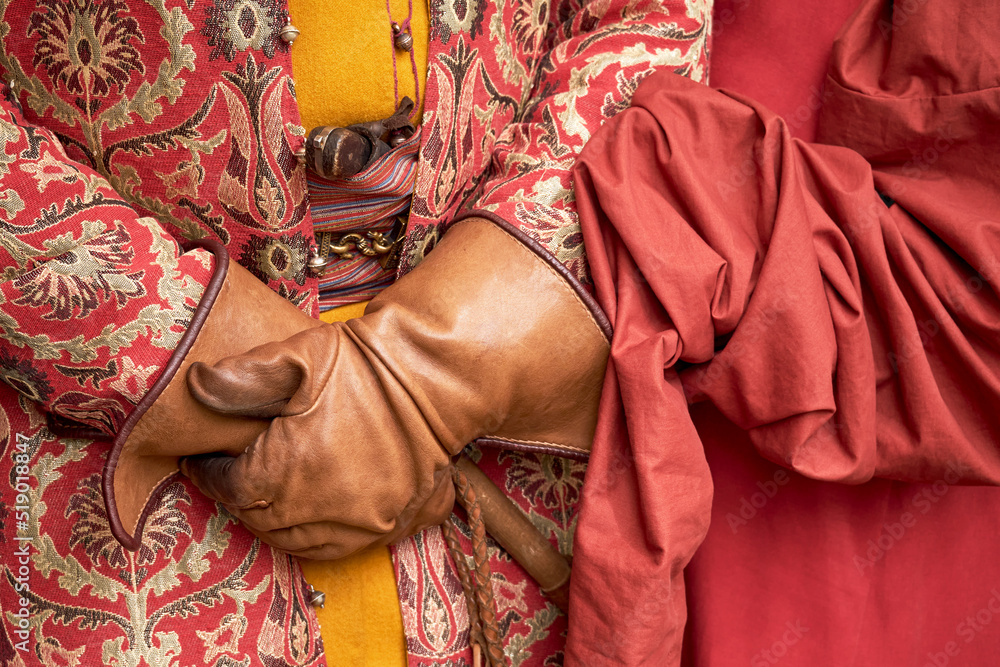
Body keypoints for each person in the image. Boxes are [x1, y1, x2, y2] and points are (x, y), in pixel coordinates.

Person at [0, 0, 708, 665]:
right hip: (119, 495)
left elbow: (647, 17)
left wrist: (437, 369)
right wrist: (172, 329)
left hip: (515, 474)